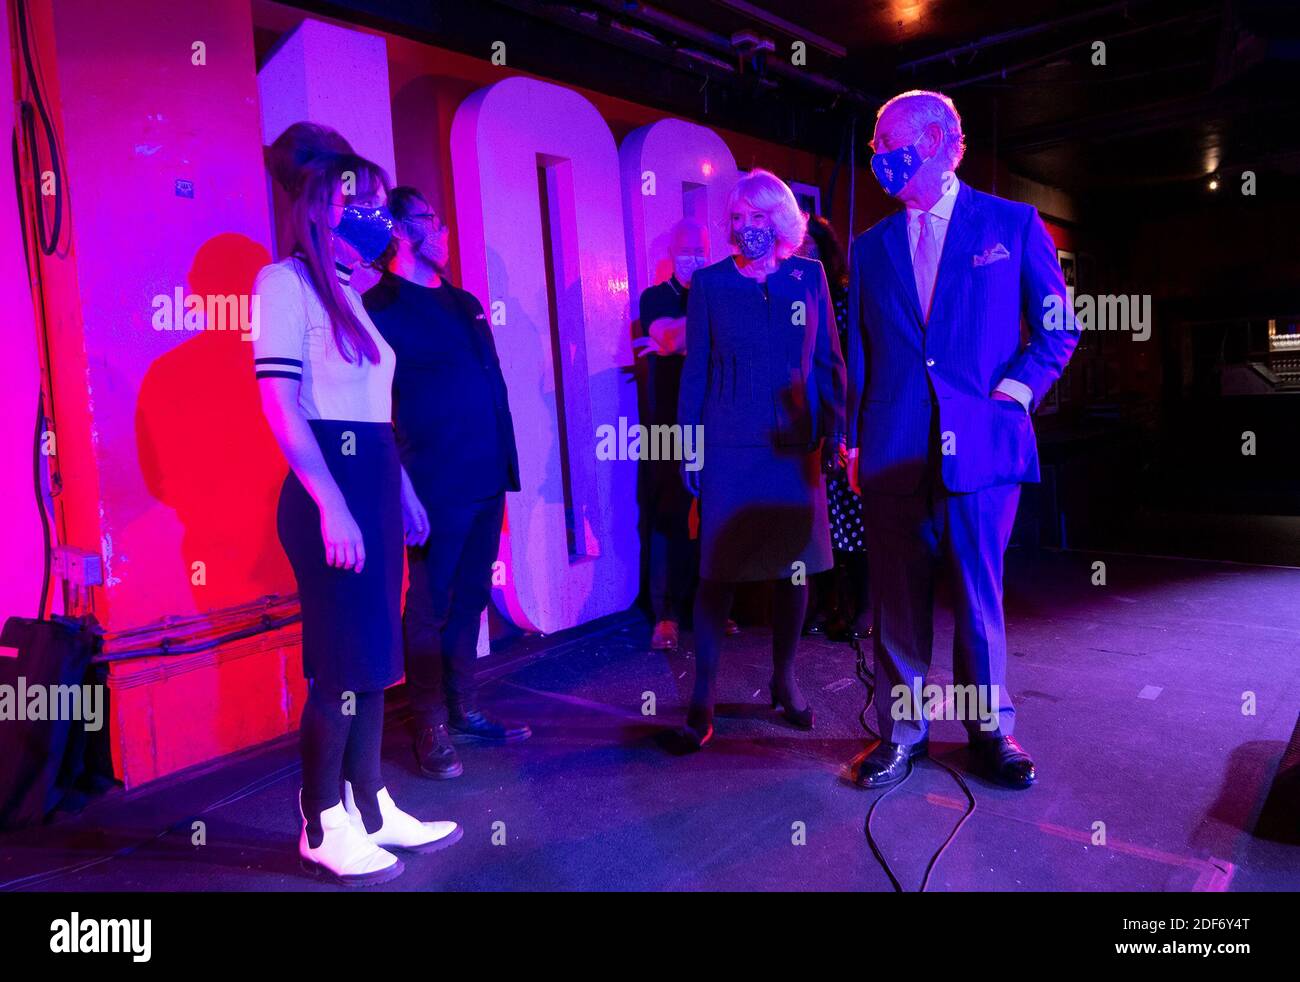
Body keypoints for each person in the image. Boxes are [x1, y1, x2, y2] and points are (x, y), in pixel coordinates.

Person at [845, 90, 1079, 789]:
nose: (880, 156)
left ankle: (989, 734)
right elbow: (859, 350)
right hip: (890, 451)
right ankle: (903, 735)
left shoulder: (1012, 222)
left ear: (946, 142)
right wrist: (856, 441)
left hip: (980, 447)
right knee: (896, 602)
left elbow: (1057, 326)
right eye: (876, 146)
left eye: (892, 142)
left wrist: (1013, 394)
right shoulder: (869, 247)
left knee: (979, 597)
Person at [254, 150, 460, 885]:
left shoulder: (353, 296)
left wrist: (399, 491)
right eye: (361, 200)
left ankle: (371, 806)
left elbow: (373, 413)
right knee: (341, 666)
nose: (376, 213)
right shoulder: (284, 283)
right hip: (328, 495)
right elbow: (281, 405)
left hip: (372, 481)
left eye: (379, 200)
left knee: (374, 663)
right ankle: (321, 821)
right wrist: (333, 503)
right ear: (319, 206)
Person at [675, 169, 847, 750]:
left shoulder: (809, 276)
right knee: (716, 572)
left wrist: (837, 431)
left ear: (780, 222)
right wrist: (688, 445)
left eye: (755, 217)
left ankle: (785, 678)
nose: (743, 227)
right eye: (736, 218)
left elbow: (827, 360)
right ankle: (702, 695)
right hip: (729, 443)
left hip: (795, 446)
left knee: (793, 570)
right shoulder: (711, 285)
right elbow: (696, 369)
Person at [363, 186, 529, 782]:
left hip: (486, 477)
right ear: (403, 232)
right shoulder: (379, 307)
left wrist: (505, 465)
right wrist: (403, 489)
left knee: (469, 600)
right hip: (433, 485)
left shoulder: (464, 303)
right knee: (429, 605)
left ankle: (464, 710)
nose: (446, 232)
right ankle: (427, 723)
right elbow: (375, 409)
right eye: (434, 221)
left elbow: (492, 384)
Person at [633, 219, 739, 651]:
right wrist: (681, 339)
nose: (693, 259)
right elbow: (666, 335)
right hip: (666, 427)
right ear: (672, 255)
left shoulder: (715, 293)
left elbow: (684, 342)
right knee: (668, 517)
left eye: (701, 251)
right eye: (686, 252)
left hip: (712, 421)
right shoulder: (655, 296)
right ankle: (667, 615)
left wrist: (678, 340)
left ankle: (708, 607)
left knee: (713, 517)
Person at [800, 215, 871, 641]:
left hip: (843, 414)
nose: (804, 254)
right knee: (819, 522)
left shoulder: (843, 295)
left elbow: (851, 361)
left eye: (810, 247)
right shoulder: (787, 292)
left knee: (851, 519)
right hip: (805, 419)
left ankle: (863, 607)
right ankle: (825, 605)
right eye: (798, 247)